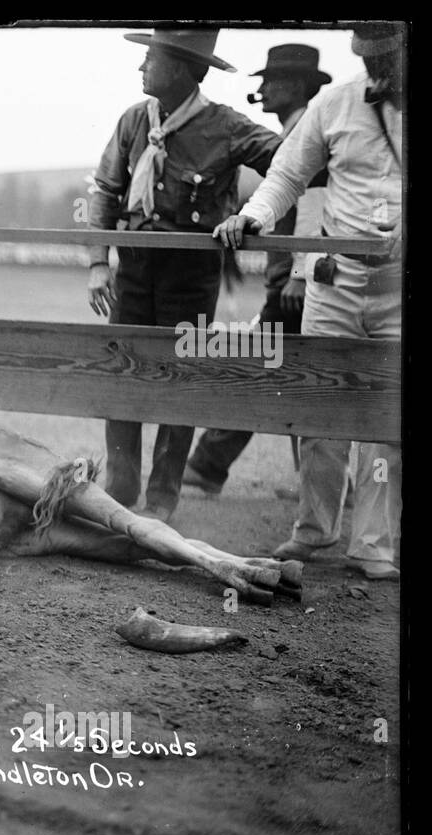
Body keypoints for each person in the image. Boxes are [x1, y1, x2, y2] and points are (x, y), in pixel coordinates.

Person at [214, 23, 403, 581]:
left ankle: (373, 545)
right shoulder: (334, 101)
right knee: (320, 414)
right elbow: (288, 175)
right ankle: (315, 533)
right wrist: (255, 216)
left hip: (400, 286)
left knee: (387, 421)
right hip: (333, 281)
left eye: (387, 58)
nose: (378, 71)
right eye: (369, 60)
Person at [87, 28, 281, 524]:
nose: (141, 68)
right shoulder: (134, 120)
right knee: (122, 369)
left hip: (191, 275)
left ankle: (163, 497)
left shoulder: (226, 126)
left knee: (182, 377)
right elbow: (106, 191)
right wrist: (96, 264)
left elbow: (292, 164)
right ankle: (122, 483)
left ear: (178, 67)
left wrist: (252, 212)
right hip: (134, 269)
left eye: (149, 58)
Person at [184, 44, 331, 495]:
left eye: (273, 79)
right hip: (292, 278)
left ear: (299, 85)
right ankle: (313, 481)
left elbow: (315, 199)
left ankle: (206, 468)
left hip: (294, 282)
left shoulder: (308, 129)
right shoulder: (298, 127)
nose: (262, 88)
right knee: (294, 375)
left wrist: (298, 272)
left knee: (261, 368)